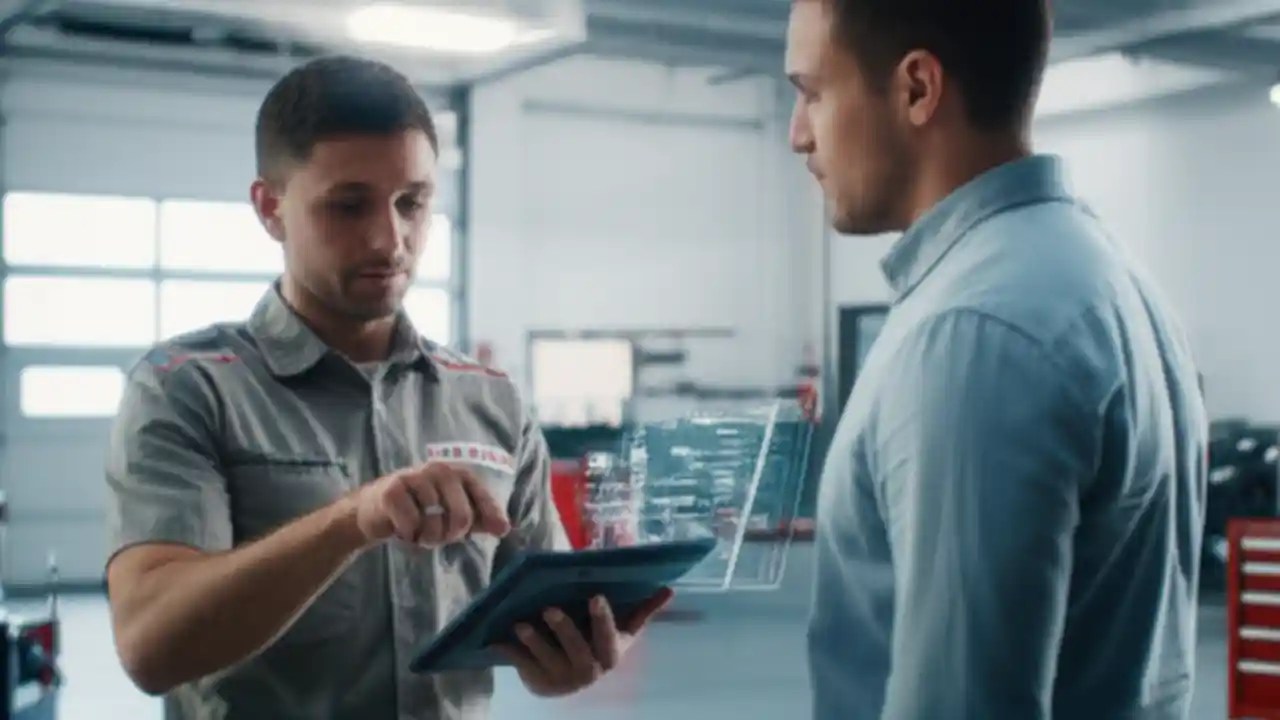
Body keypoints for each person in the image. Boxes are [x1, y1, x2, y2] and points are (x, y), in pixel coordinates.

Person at [103, 55, 670, 719]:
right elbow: (151, 646)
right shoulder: (186, 389)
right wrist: (353, 520)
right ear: (269, 207)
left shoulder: (490, 401)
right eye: (348, 206)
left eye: (413, 203)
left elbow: (535, 638)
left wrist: (572, 656)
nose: (389, 240)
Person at [785, 2, 1207, 719]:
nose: (798, 136)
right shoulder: (1108, 279)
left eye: (813, 93)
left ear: (918, 88)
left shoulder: (972, 333)